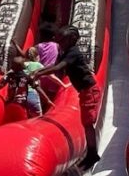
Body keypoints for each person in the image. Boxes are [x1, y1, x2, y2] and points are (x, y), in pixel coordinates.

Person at [30, 25, 102, 168]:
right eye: (59, 39)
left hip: (89, 90)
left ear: (71, 40)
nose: (60, 42)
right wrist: (39, 71)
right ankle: (91, 153)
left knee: (88, 124)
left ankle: (93, 154)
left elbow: (58, 68)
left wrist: (38, 73)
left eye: (63, 40)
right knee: (86, 123)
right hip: (84, 91)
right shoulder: (65, 52)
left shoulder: (73, 52)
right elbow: (52, 65)